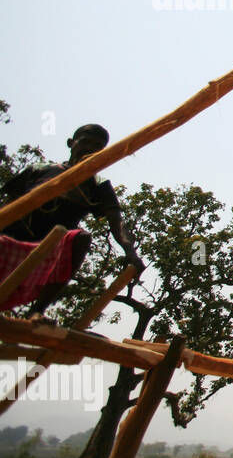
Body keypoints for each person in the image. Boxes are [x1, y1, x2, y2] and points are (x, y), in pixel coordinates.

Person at [0, 123, 144, 315]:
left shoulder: (98, 186)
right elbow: (7, 204)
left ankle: (37, 311)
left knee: (81, 238)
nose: (90, 148)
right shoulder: (40, 170)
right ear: (71, 143)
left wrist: (131, 252)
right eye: (85, 142)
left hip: (48, 254)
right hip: (9, 242)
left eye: (97, 147)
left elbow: (117, 223)